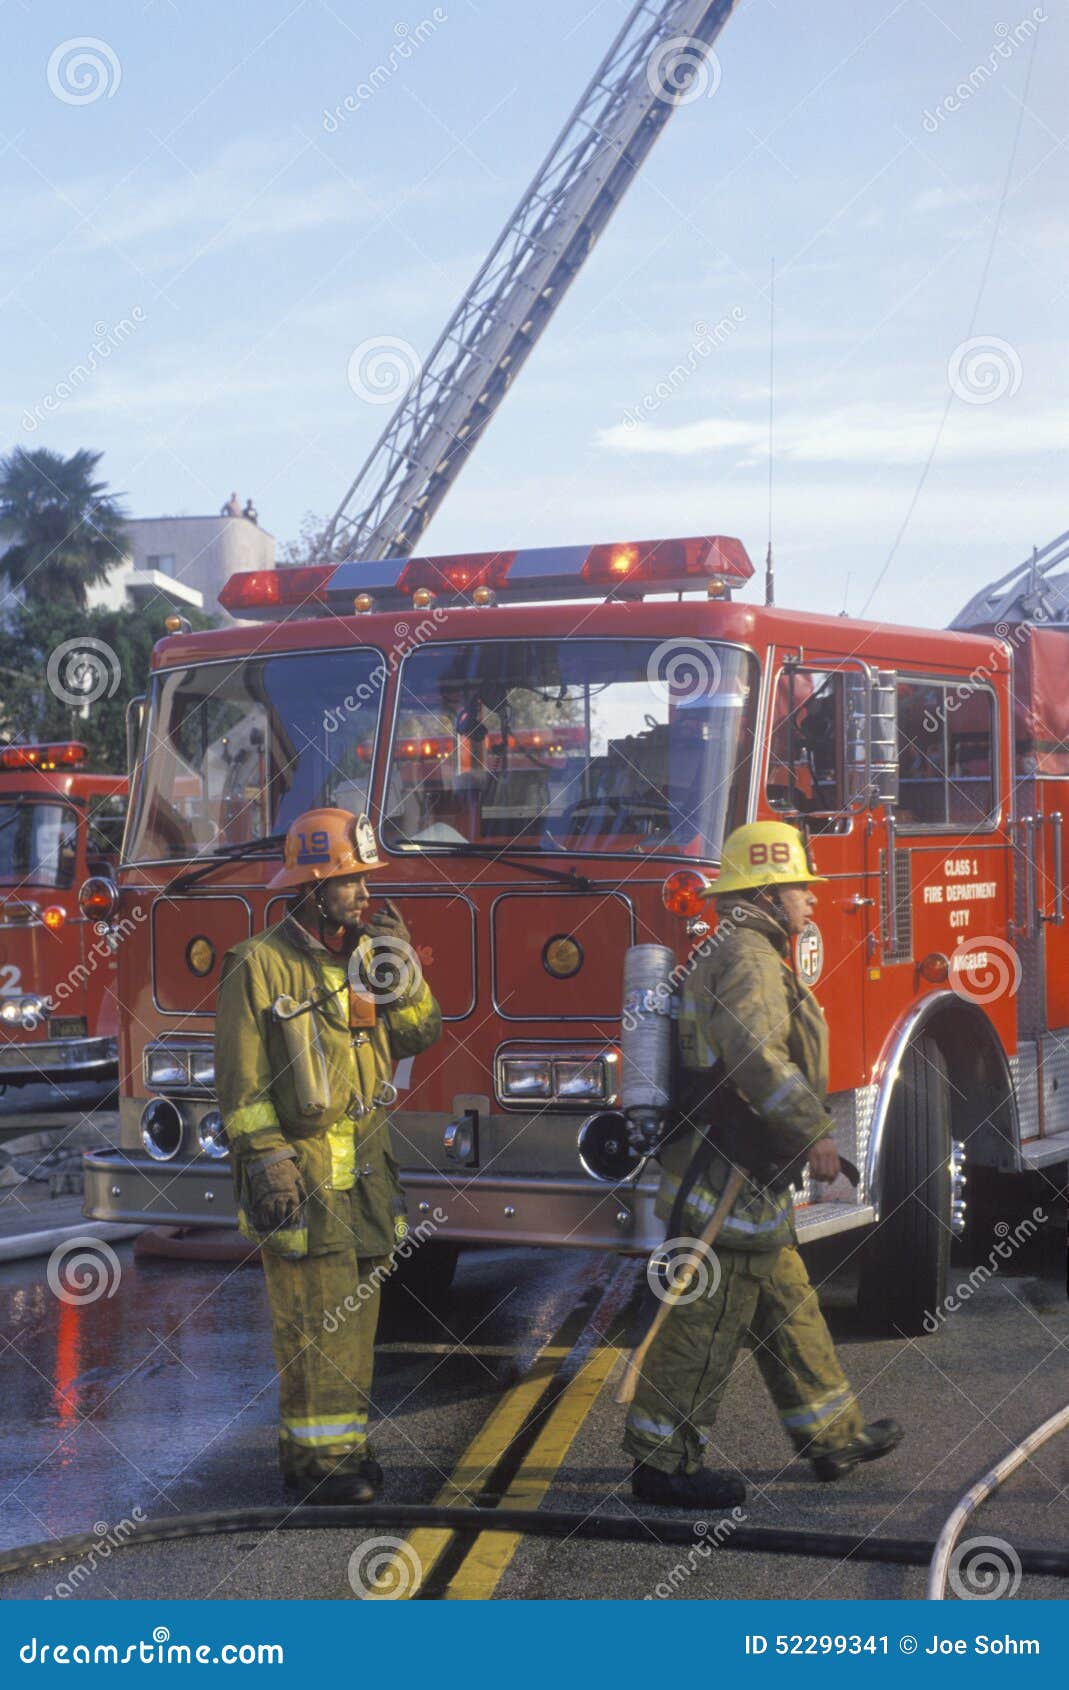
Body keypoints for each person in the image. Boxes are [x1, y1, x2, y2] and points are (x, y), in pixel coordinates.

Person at [623, 820, 902, 1509]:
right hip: (730, 1172)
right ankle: (663, 1464)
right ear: (768, 894)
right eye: (799, 888)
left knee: (786, 1304)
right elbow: (754, 1056)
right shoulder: (747, 956)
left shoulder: (739, 947)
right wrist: (813, 1130)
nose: (811, 898)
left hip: (742, 1167)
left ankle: (833, 1437)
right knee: (707, 1319)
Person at [215, 808, 441, 1504]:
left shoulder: (365, 956)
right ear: (311, 889)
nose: (365, 894)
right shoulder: (258, 966)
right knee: (313, 1326)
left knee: (353, 1326)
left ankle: (340, 1448)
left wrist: (398, 966)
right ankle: (321, 1466)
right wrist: (267, 1159)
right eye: (350, 882)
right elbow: (242, 1086)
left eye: (365, 880)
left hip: (366, 1175)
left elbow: (419, 1035)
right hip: (304, 1176)